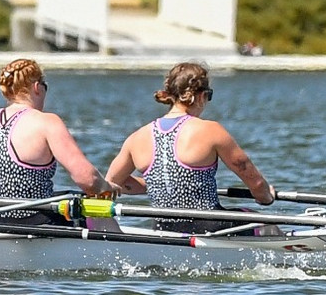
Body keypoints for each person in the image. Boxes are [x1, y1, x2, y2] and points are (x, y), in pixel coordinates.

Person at [106, 62, 274, 232]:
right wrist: (266, 197)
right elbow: (256, 182)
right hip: (209, 227)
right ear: (199, 96)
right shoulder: (211, 130)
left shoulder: (137, 138)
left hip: (163, 229)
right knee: (264, 224)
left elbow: (111, 183)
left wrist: (164, 183)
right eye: (209, 96)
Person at [0, 57, 110, 225]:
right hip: (36, 223)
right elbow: (88, 179)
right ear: (37, 87)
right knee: (94, 205)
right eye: (45, 86)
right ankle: (121, 248)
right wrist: (106, 187)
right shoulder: (46, 122)